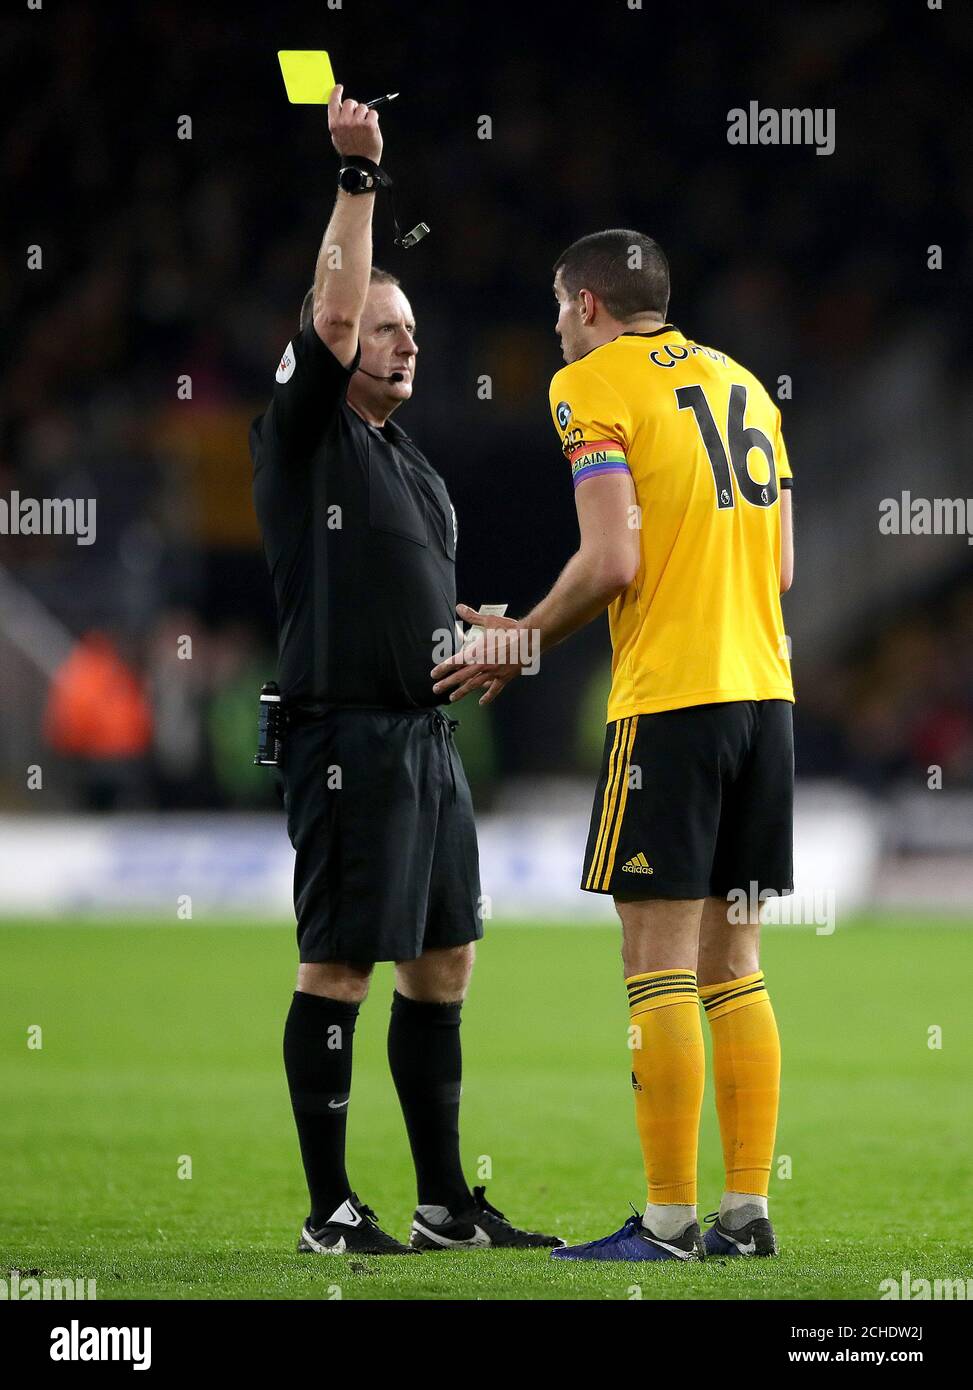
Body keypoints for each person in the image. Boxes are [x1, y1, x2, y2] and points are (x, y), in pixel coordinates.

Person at [432, 228, 794, 1263]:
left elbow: (610, 555)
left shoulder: (589, 384)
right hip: (763, 697)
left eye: (556, 306)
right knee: (737, 962)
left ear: (589, 305)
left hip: (672, 703)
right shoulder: (743, 387)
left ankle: (670, 1223)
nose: (553, 326)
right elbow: (782, 567)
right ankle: (744, 1213)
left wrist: (518, 638)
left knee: (656, 965)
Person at [250, 85, 559, 1256]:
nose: (405, 340)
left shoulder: (414, 467)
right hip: (345, 740)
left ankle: (441, 1205)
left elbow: (435, 610)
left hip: (427, 745)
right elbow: (331, 316)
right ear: (333, 341)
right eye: (388, 328)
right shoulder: (308, 432)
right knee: (337, 969)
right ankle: (329, 1209)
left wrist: (507, 637)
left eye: (414, 329)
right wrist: (358, 176)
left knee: (443, 965)